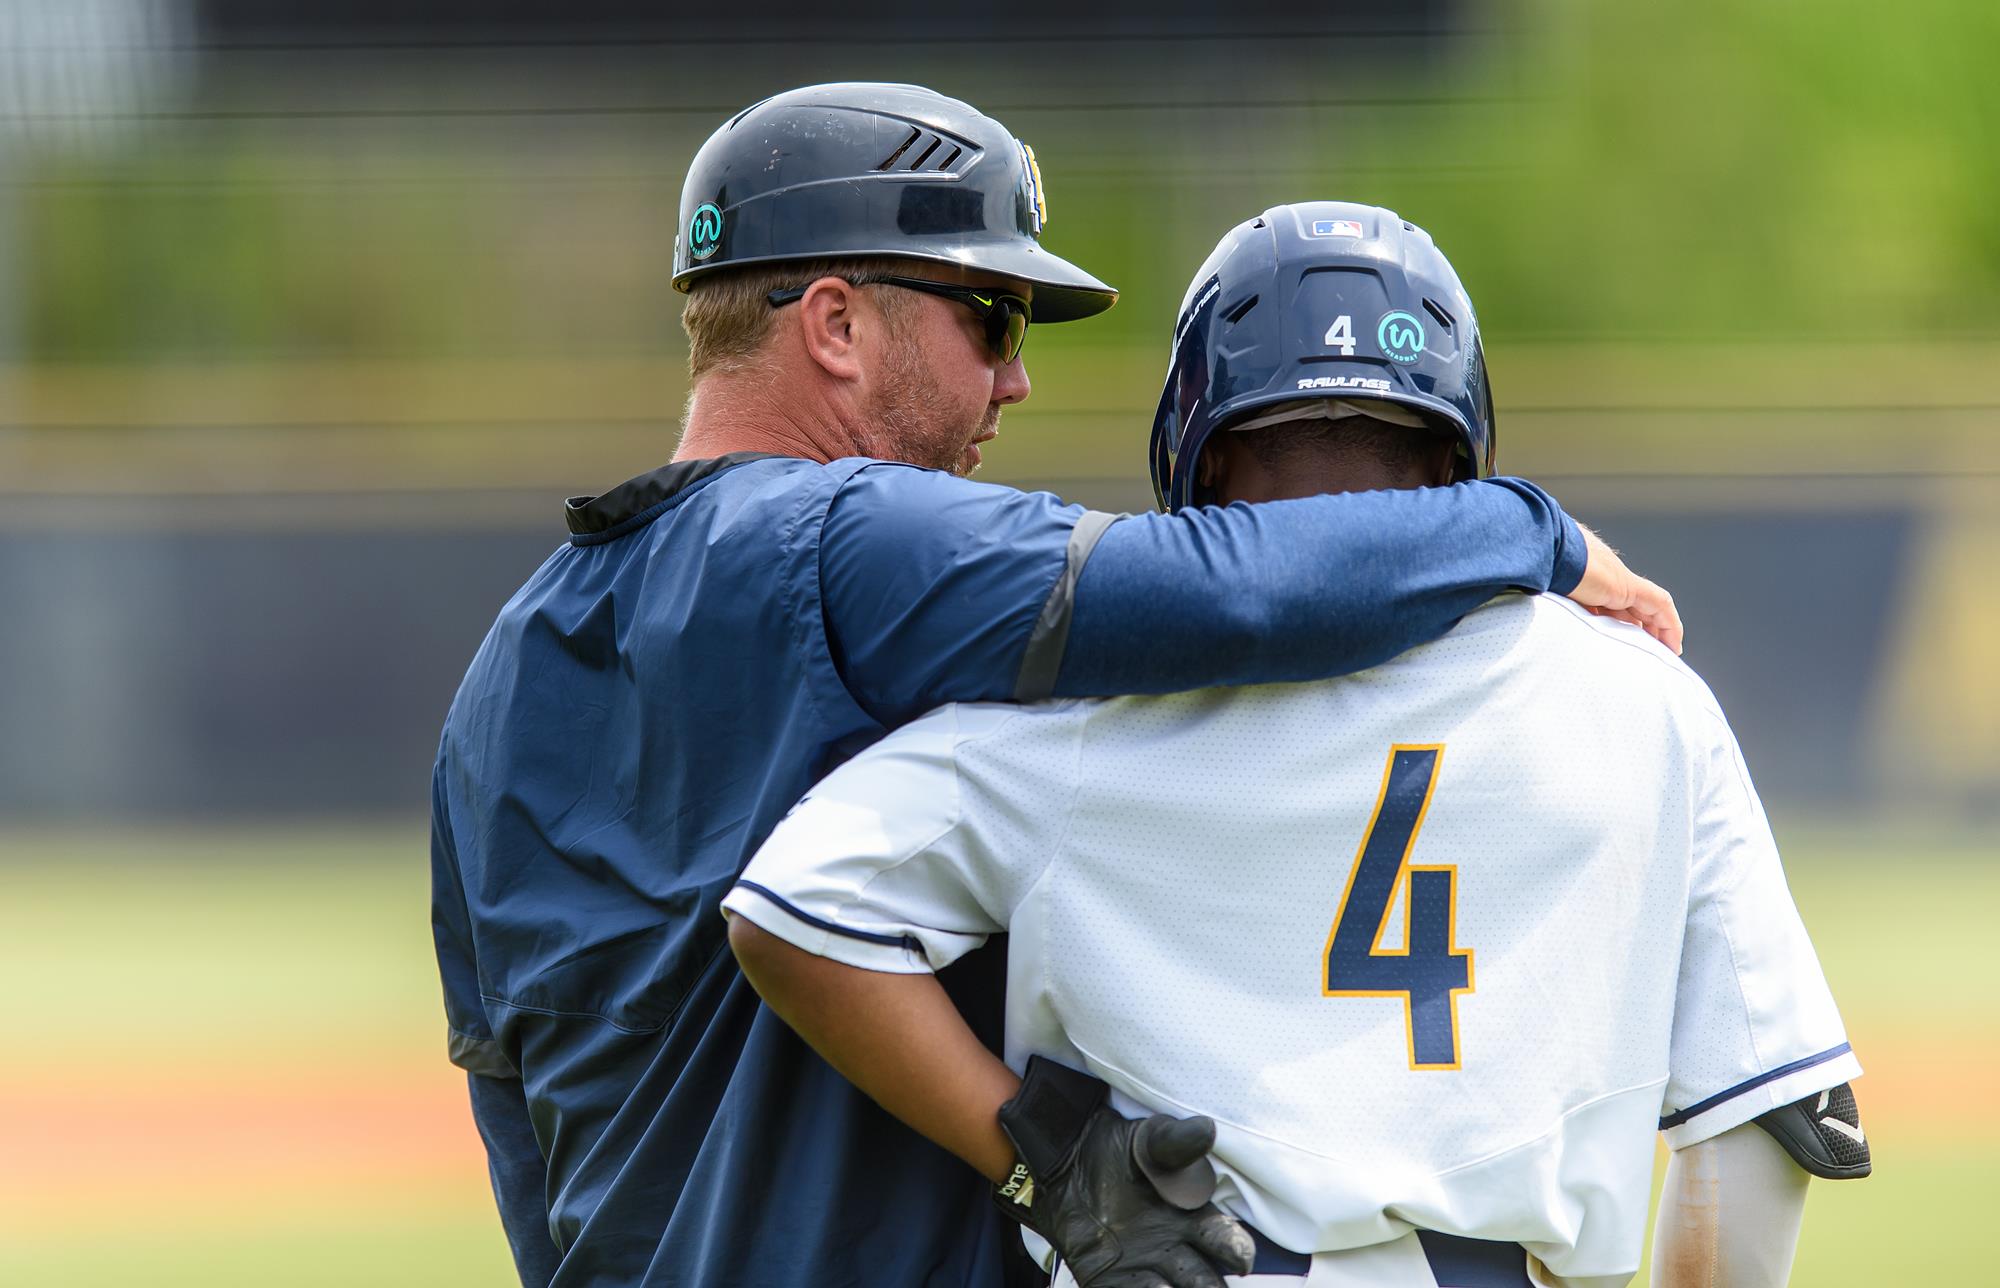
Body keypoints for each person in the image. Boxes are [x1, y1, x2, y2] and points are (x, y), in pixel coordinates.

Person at [429, 83, 1680, 1288]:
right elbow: (1231, 591)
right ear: (835, 324)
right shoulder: (849, 539)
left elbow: (512, 1109)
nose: (1010, 380)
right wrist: (1529, 533)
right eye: (990, 317)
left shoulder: (500, 672)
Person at [725, 201, 1865, 1288]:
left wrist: (1047, 1160)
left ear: (1196, 445)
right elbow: (1762, 1131)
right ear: (1454, 442)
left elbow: (791, 906)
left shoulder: (1066, 722)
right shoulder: (1645, 701)